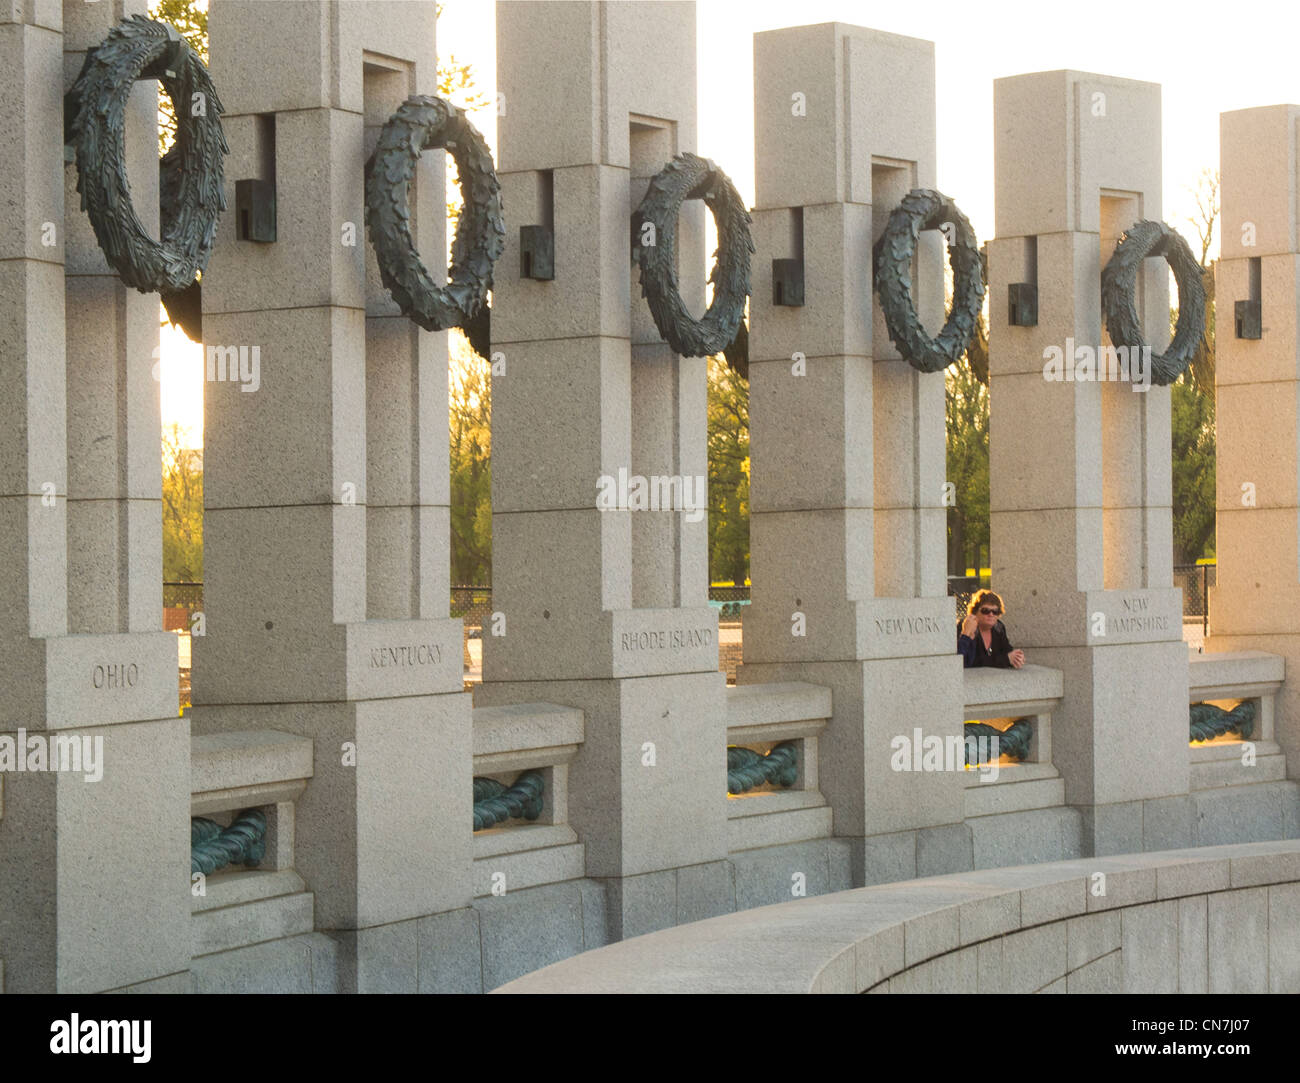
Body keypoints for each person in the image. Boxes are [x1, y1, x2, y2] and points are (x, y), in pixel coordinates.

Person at [957, 590, 1025, 669]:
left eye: (995, 611)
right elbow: (970, 662)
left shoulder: (998, 628)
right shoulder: (966, 627)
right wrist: (1006, 659)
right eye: (985, 611)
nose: (991, 614)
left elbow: (1007, 650)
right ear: (975, 612)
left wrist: (1017, 657)